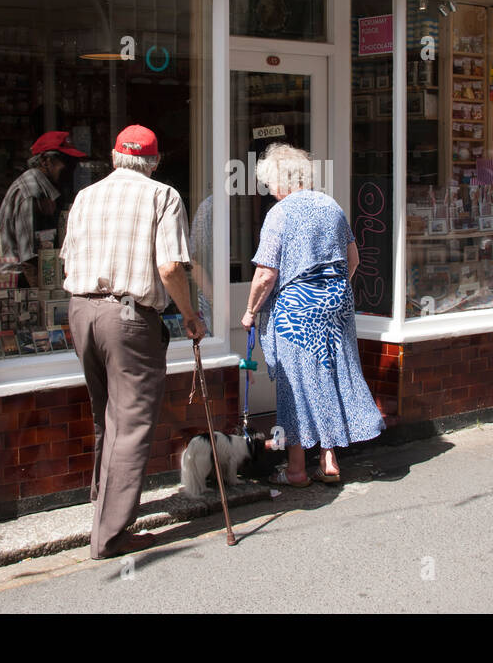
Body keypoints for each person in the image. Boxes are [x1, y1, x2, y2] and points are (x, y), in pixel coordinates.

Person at [62, 124, 206, 559]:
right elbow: (168, 268)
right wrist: (191, 315)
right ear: (155, 161)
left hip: (81, 309)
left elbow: (67, 256)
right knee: (132, 424)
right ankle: (110, 536)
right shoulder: (163, 195)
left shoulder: (86, 196)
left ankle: (101, 503)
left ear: (113, 156)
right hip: (128, 316)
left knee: (106, 414)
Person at [241, 143, 384, 486]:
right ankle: (329, 460)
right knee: (328, 378)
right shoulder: (331, 206)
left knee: (298, 386)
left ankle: (296, 470)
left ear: (280, 180)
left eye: (269, 183)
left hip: (296, 312)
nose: (270, 191)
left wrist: (249, 312)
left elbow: (266, 273)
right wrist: (328, 292)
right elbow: (353, 261)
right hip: (336, 306)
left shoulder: (280, 213)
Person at [0, 130, 85, 287]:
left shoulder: (45, 189)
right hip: (15, 280)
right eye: (66, 161)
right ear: (45, 161)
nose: (71, 167)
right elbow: (29, 259)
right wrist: (41, 299)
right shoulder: (31, 193)